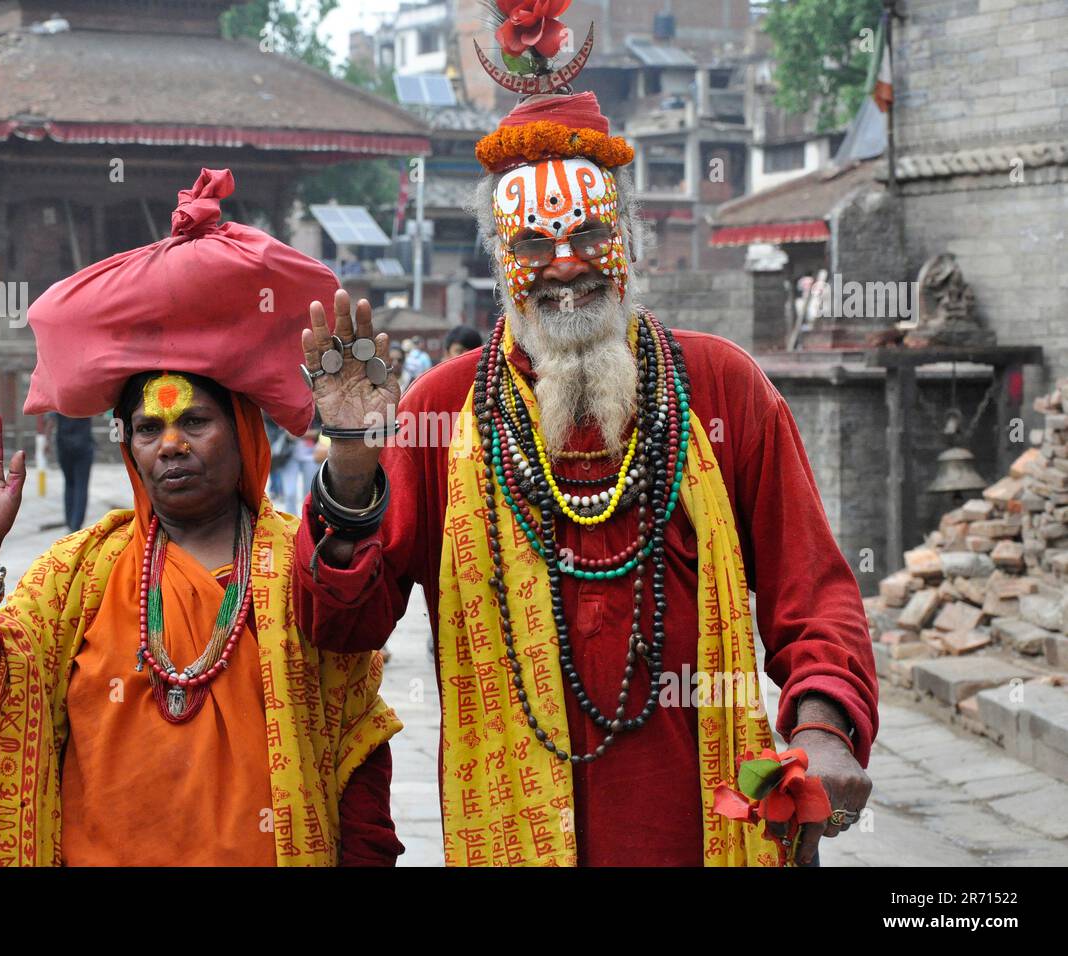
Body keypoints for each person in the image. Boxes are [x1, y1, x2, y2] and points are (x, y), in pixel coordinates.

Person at [290, 26, 876, 869]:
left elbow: (813, 592)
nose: (565, 265)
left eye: (587, 236)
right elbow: (342, 626)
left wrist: (823, 725)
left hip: (709, 836)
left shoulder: (720, 388)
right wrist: (350, 461)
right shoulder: (443, 409)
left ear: (629, 241)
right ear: (501, 260)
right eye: (533, 244)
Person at [0, 167, 402, 866]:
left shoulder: (301, 568)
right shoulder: (76, 577)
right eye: (148, 428)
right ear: (130, 447)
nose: (170, 444)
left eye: (195, 421)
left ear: (244, 433)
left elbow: (357, 753)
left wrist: (352, 457)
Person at [45, 412, 96, 532]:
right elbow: (99, 411)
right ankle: (76, 524)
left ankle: (69, 522)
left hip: (64, 445)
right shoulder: (86, 397)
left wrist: (47, 442)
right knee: (81, 485)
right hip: (84, 445)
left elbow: (51, 421)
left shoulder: (60, 396)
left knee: (69, 483)